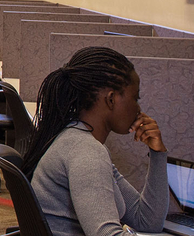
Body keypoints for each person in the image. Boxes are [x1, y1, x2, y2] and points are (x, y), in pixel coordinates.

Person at [24, 47, 168, 236]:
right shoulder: (87, 152)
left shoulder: (75, 138)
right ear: (111, 99)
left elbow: (147, 221)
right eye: (135, 98)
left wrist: (157, 153)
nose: (139, 109)